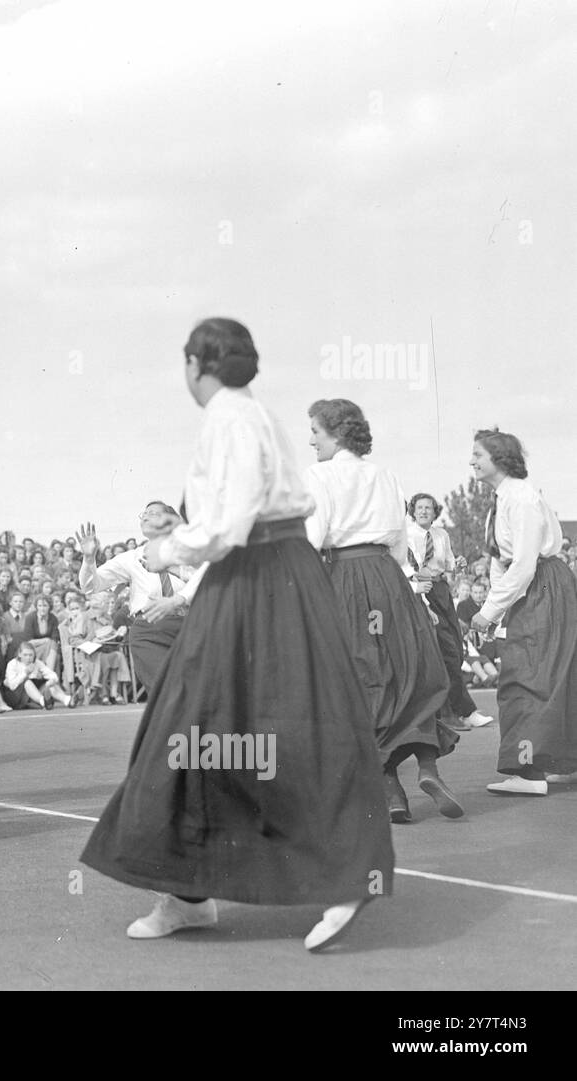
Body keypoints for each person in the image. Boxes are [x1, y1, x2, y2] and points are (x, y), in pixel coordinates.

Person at [81, 318, 393, 952]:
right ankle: (190, 894)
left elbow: (227, 522)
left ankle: (343, 875)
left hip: (259, 576)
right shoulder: (246, 415)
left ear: (198, 364)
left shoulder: (230, 419)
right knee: (205, 727)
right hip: (257, 576)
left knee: (246, 726)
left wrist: (164, 550)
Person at [306, 400, 462, 824]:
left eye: (316, 433)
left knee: (365, 676)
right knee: (409, 669)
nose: (311, 441)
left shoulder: (319, 475)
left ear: (335, 434)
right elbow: (398, 541)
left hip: (346, 577)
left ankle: (392, 789)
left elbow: (313, 536)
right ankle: (427, 769)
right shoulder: (384, 474)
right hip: (388, 577)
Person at [470, 429, 577, 794]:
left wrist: (487, 611)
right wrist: (496, 615)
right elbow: (504, 563)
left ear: (498, 459)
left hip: (541, 586)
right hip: (535, 587)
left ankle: (529, 771)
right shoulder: (503, 498)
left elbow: (524, 565)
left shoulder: (522, 498)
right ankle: (560, 762)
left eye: (478, 455)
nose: (472, 462)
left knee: (528, 674)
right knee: (546, 673)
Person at [76, 502, 205, 700]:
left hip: (190, 626)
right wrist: (89, 559)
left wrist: (173, 570)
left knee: (201, 690)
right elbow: (91, 586)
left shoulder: (189, 552)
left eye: (153, 513)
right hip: (149, 629)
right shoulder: (130, 558)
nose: (145, 517)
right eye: (143, 514)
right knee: (166, 693)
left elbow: (207, 579)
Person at [405, 493, 493, 729]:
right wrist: (420, 596)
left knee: (455, 647)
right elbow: (407, 570)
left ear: (435, 512)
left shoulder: (441, 535)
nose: (424, 511)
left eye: (429, 508)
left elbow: (449, 563)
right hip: (420, 591)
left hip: (441, 591)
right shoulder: (406, 535)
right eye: (420, 508)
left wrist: (458, 565)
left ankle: (459, 710)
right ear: (413, 511)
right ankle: (457, 712)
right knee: (445, 653)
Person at [3, 642, 74, 710]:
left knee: (49, 683)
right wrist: (25, 673)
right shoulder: (12, 664)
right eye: (25, 655)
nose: (28, 658)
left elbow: (51, 674)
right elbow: (12, 685)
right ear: (19, 654)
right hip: (17, 697)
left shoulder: (37, 663)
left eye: (30, 655)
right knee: (27, 682)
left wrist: (52, 680)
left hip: (33, 695)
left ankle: (67, 700)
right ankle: (44, 702)